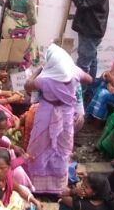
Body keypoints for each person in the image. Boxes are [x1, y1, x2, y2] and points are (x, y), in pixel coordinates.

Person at [25, 45, 84, 195]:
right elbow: (88, 78)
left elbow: (27, 87)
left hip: (46, 113)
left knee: (38, 147)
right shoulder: (75, 73)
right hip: (67, 115)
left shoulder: (44, 79)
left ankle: (36, 186)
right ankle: (58, 187)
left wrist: (38, 71)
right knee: (62, 149)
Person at [67, 0, 109, 80]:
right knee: (91, 59)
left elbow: (82, 4)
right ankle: (89, 88)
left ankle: (81, 92)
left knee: (83, 63)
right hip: (91, 27)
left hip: (91, 29)